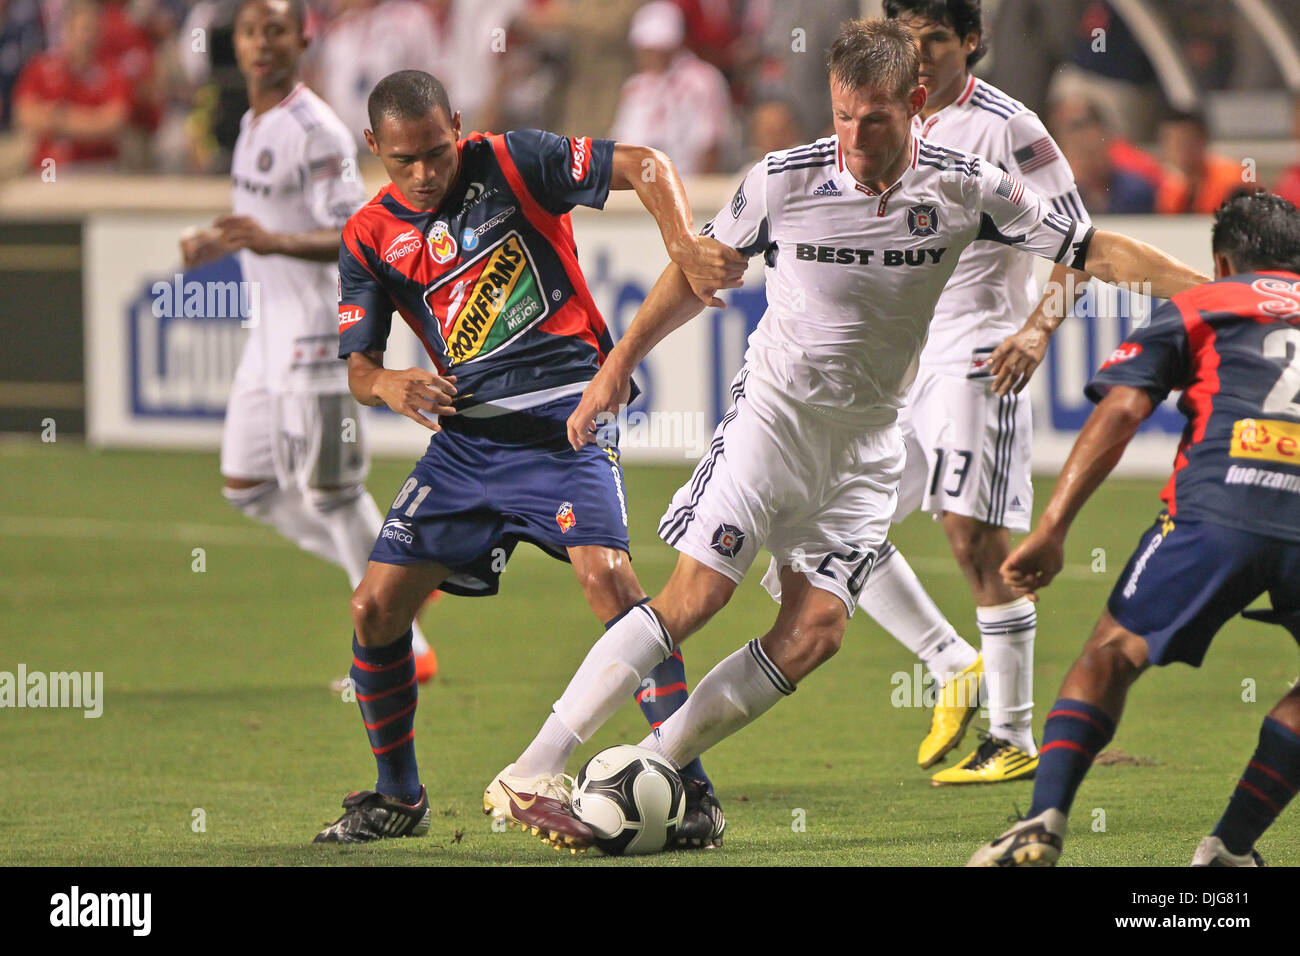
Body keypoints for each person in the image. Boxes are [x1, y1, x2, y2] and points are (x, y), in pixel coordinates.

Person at [492, 17, 1210, 850]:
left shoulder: (966, 184)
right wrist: (619, 364)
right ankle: (533, 767)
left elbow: (1096, 248)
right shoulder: (781, 181)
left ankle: (653, 766)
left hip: (869, 446)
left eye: (874, 119)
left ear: (913, 105)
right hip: (776, 420)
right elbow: (696, 274)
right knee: (700, 595)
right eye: (841, 116)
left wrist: (1213, 298)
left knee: (815, 634)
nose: (854, 137)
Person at [312, 69, 748, 846]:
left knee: (611, 586)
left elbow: (646, 164)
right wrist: (390, 385)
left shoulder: (514, 161)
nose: (423, 174)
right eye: (403, 160)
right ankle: (398, 797)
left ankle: (691, 788)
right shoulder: (367, 237)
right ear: (373, 146)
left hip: (567, 422)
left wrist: (681, 241)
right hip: (467, 444)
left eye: (438, 152)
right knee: (374, 610)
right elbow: (357, 367)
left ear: (456, 124)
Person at [970, 192, 1300, 867]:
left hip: (1219, 506)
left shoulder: (1202, 301)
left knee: (1112, 651)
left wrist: (1054, 527)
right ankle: (1230, 848)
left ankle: (1041, 822)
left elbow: (1123, 410)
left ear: (1223, 259)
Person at [850, 0, 1093, 786]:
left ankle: (1015, 735)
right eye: (907, 39)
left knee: (972, 535)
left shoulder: (1009, 126)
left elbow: (1080, 244)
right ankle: (950, 662)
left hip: (978, 345)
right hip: (900, 358)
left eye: (935, 41)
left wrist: (1036, 332)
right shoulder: (884, 115)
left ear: (973, 44)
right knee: (830, 531)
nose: (919, 56)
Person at [179, 0, 438, 684]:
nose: (262, 43)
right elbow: (264, 218)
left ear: (302, 37)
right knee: (248, 484)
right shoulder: (250, 121)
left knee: (330, 493)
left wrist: (270, 241)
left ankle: (401, 642)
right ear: (234, 43)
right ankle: (399, 574)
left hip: (318, 336)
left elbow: (354, 236)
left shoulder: (315, 129)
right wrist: (222, 237)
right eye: (250, 31)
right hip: (267, 339)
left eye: (276, 30)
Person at [608, 1, 734, 176]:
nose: (652, 55)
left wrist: (699, 194)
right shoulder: (636, 86)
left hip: (687, 185)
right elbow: (621, 143)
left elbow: (711, 142)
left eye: (659, 48)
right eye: (647, 49)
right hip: (640, 188)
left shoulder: (702, 80)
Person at [12, 0, 130, 170]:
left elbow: (113, 121)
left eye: (94, 29)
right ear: (67, 30)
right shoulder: (41, 67)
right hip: (49, 164)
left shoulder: (112, 71)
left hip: (98, 164)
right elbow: (24, 115)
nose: (89, 37)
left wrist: (59, 118)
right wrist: (90, 119)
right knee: (40, 189)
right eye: (84, 29)